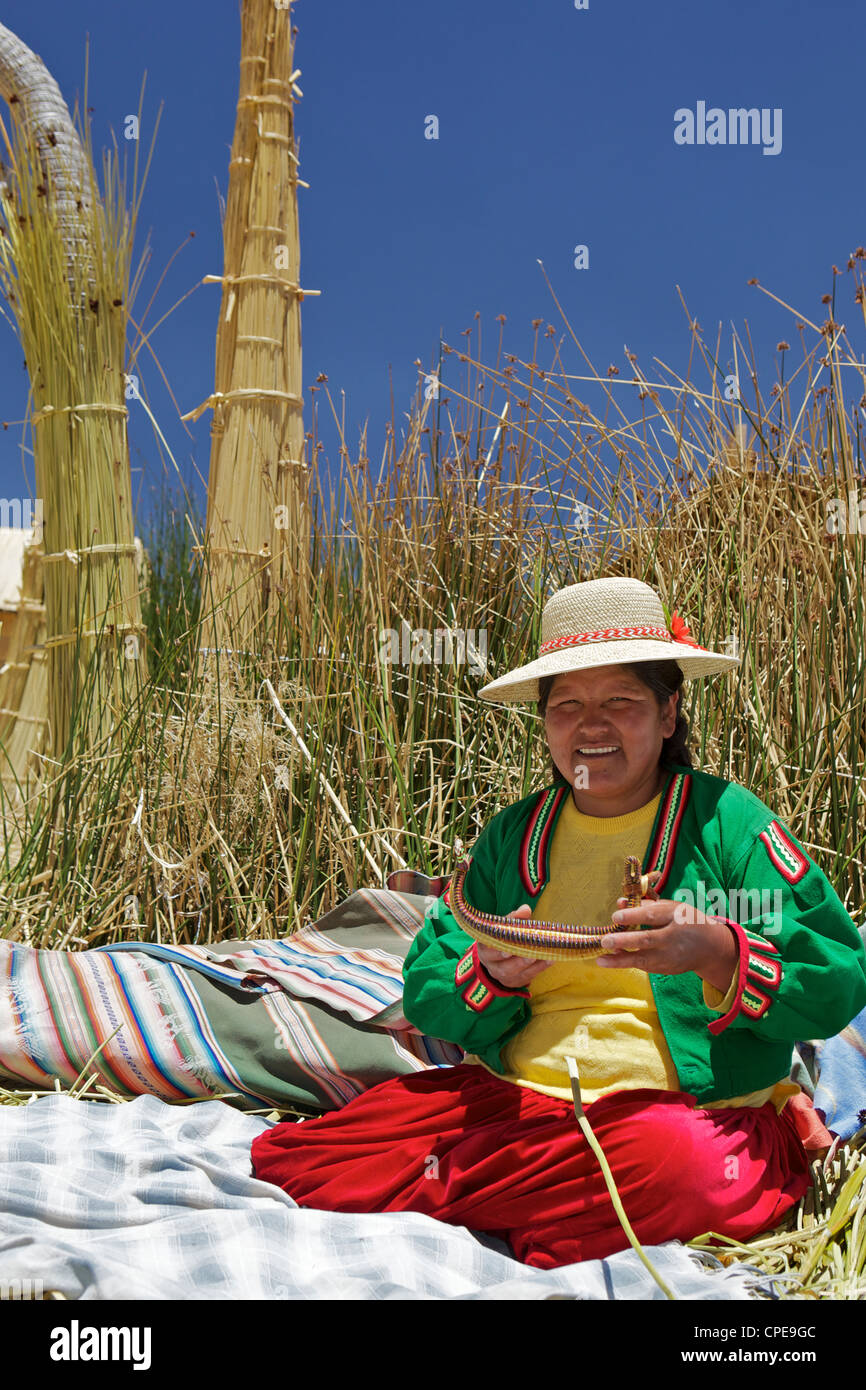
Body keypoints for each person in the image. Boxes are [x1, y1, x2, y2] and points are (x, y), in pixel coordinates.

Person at [250, 577, 866, 1269]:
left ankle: (496, 1192)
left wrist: (715, 950)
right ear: (544, 722)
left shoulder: (730, 823)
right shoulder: (513, 836)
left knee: (680, 1165)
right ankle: (561, 1210)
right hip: (518, 1105)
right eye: (567, 704)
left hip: (682, 1118)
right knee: (313, 1158)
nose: (591, 726)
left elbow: (836, 976)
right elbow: (428, 988)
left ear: (668, 714)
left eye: (621, 702)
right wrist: (487, 974)